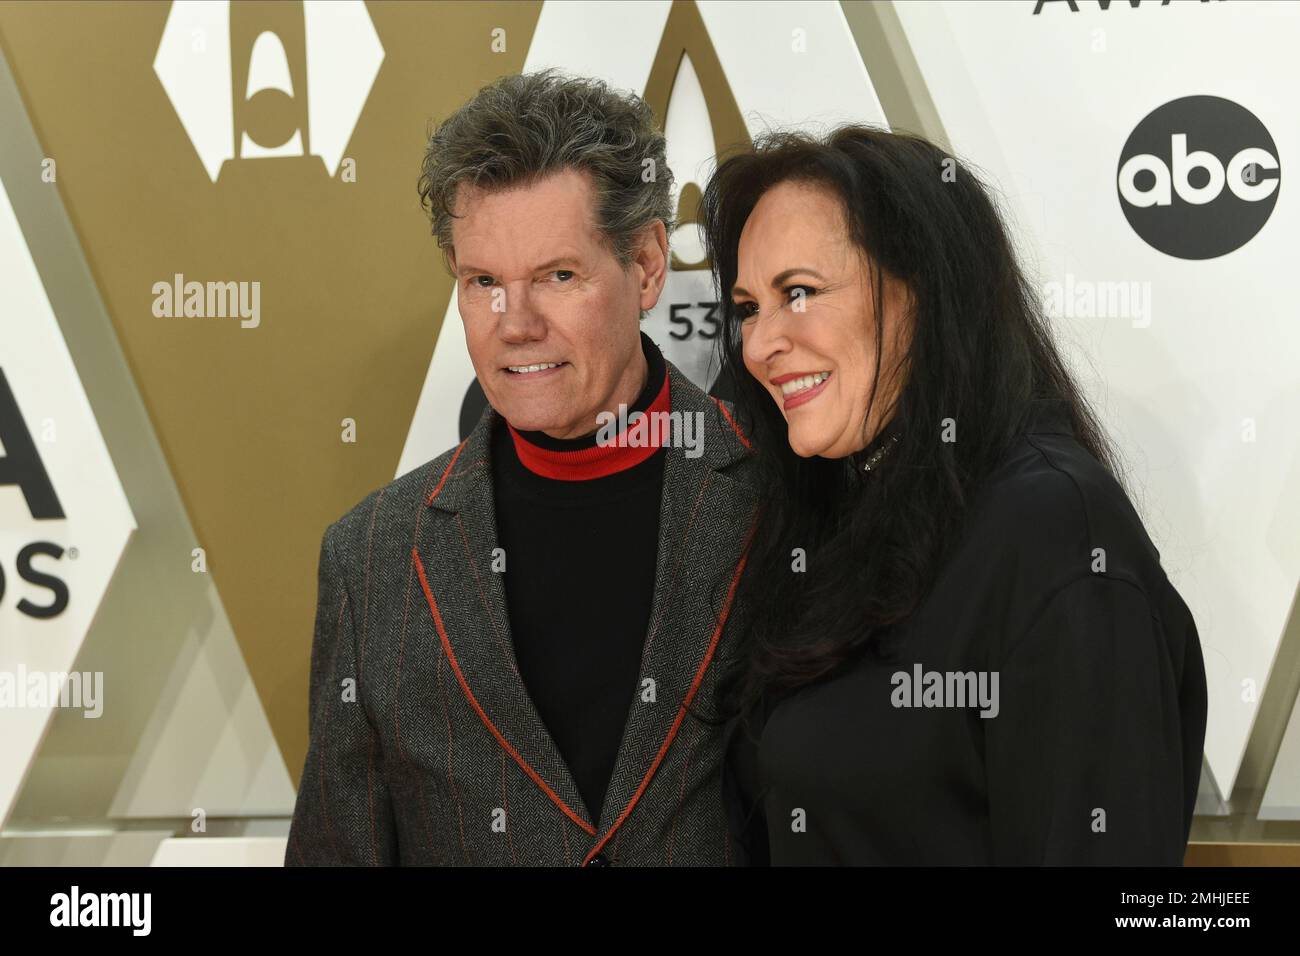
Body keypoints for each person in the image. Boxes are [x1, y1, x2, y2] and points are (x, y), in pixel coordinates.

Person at [285, 70, 760, 866]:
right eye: (484, 285)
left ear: (646, 267)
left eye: (557, 276)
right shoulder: (372, 560)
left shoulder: (783, 499)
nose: (516, 326)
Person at [701, 125, 1208, 865]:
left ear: (926, 291)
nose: (758, 344)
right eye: (749, 307)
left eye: (800, 293)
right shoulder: (828, 510)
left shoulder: (1057, 530)